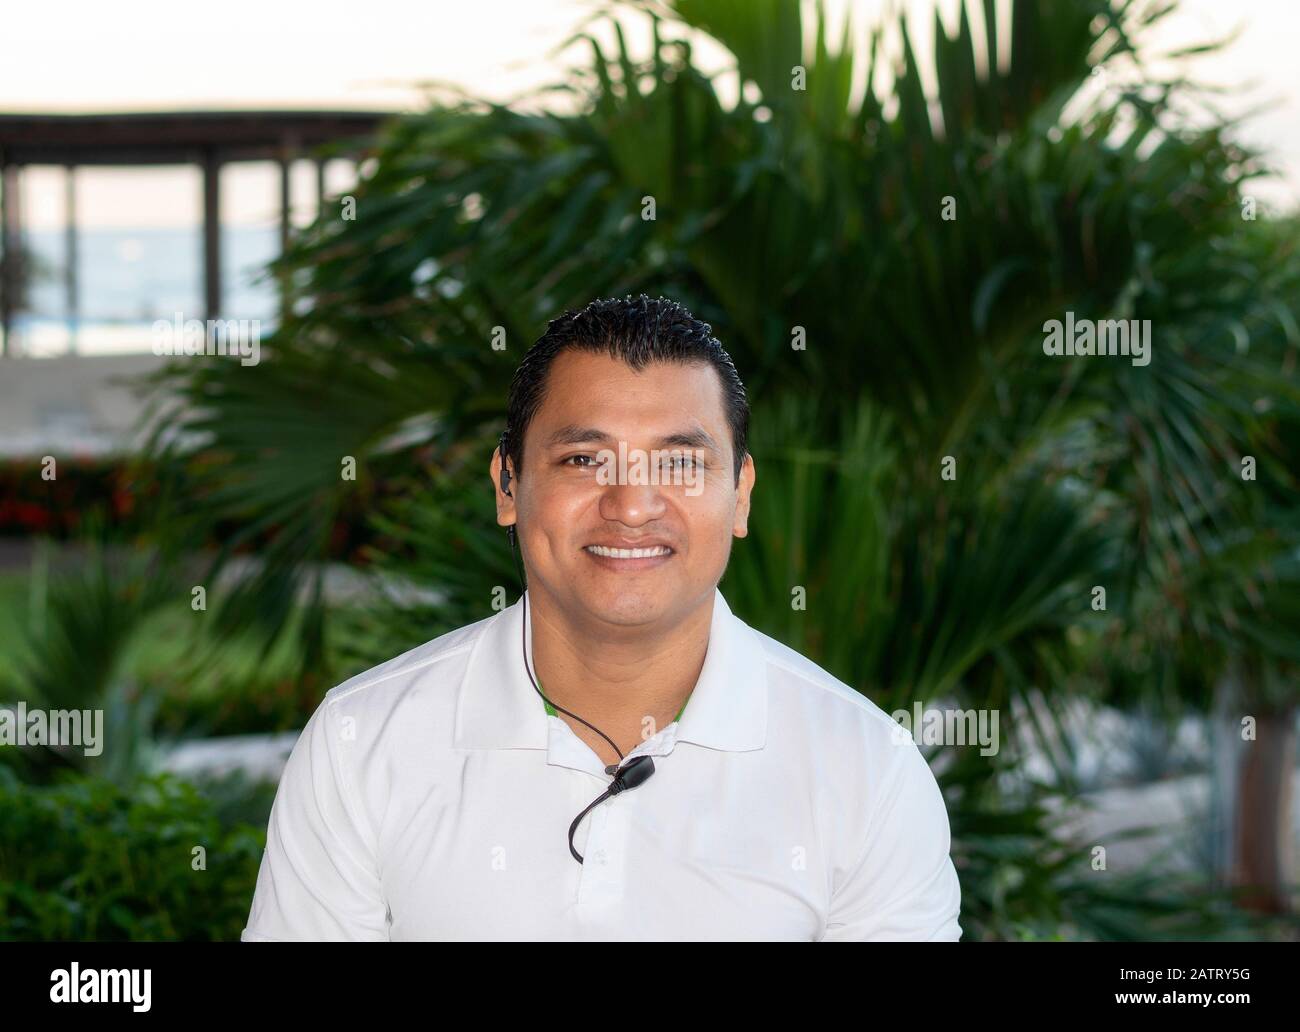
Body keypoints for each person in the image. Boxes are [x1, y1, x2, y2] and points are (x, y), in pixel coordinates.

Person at [241, 295, 962, 941]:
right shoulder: (360, 744)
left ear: (740, 495)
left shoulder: (869, 771)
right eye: (585, 460)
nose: (632, 506)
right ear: (508, 485)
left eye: (678, 464)